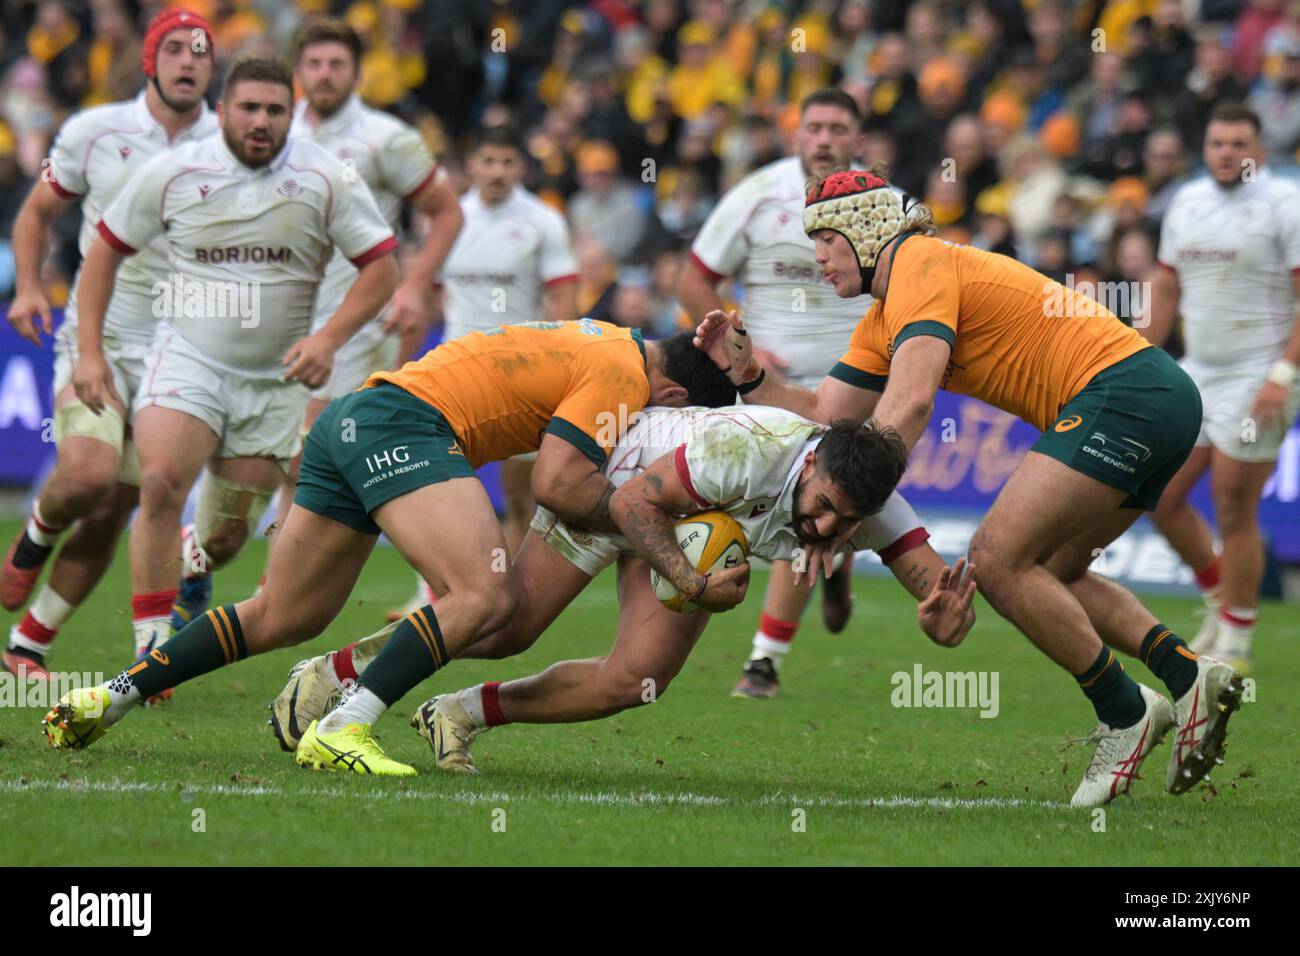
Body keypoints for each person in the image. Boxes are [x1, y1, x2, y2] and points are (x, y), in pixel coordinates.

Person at [695, 167, 1246, 808]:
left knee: (994, 560)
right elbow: (825, 411)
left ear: (867, 229)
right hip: (1152, 396)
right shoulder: (884, 316)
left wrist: (847, 507)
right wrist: (748, 371)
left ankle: (1124, 713)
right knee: (1056, 570)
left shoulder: (919, 264)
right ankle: (1186, 674)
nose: (815, 258)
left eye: (825, 239)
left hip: (1123, 394)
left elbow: (911, 403)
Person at [43, 321, 738, 776]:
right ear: (672, 395)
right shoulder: (623, 371)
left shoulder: (606, 339)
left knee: (282, 612)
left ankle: (111, 696)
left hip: (354, 419)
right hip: (407, 426)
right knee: (486, 595)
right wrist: (652, 528)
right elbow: (557, 483)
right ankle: (348, 724)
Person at [269, 405, 971, 762]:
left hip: (694, 528)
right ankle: (334, 671)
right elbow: (636, 505)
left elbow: (931, 582)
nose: (823, 530)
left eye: (845, 525)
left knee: (637, 680)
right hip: (615, 485)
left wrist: (942, 623)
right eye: (821, 508)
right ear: (812, 462)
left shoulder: (865, 500)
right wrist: (694, 586)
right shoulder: (751, 449)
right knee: (505, 624)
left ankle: (459, 715)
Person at [65, 56, 400, 681]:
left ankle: (195, 561)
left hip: (274, 380)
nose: (261, 121)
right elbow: (103, 254)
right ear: (222, 111)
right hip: (188, 358)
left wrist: (329, 339)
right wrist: (89, 352)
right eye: (248, 107)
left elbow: (382, 266)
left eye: (275, 110)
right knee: (160, 480)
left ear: (290, 114)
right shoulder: (171, 171)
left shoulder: (324, 177)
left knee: (225, 539)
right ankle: (151, 648)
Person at [180, 18, 466, 633]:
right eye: (315, 64)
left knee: (313, 453)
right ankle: (200, 556)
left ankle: (271, 590)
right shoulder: (264, 136)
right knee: (268, 478)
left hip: (356, 326)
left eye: (338, 64)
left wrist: (416, 285)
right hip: (268, 326)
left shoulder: (387, 139)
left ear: (357, 72)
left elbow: (445, 212)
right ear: (298, 70)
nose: (326, 75)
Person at [1, 8, 218, 679]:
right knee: (90, 475)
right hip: (100, 336)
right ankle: (36, 531)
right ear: (150, 60)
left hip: (180, 353)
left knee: (123, 503)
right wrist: (31, 288)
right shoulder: (97, 130)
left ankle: (26, 648)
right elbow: (37, 212)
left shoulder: (231, 143)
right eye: (175, 49)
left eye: (201, 52)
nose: (188, 61)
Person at [676, 87, 873, 699]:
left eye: (838, 128)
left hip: (850, 387)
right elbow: (695, 279)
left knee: (808, 511)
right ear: (796, 132)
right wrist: (741, 350)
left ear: (857, 140)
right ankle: (835, 568)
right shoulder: (758, 196)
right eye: (813, 125)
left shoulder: (883, 206)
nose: (824, 139)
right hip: (764, 387)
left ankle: (763, 661)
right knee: (759, 508)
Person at [1144, 103, 1300, 673]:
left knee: (1235, 502)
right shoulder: (1185, 202)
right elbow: (1166, 287)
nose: (1228, 153)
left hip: (1260, 369)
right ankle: (1218, 596)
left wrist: (1284, 375)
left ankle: (1236, 634)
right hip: (1198, 370)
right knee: (1158, 494)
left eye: (1239, 143)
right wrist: (1145, 357)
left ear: (1259, 150)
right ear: (1204, 148)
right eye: (1217, 143)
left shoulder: (1286, 204)